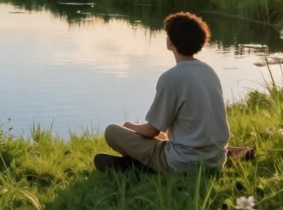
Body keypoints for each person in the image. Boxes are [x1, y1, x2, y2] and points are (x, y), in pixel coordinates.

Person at [95, 12, 231, 174]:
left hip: (183, 162)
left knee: (112, 131)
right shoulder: (209, 72)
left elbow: (152, 130)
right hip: (216, 159)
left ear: (170, 42)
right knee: (161, 138)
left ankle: (142, 166)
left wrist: (130, 126)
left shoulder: (171, 78)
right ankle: (140, 164)